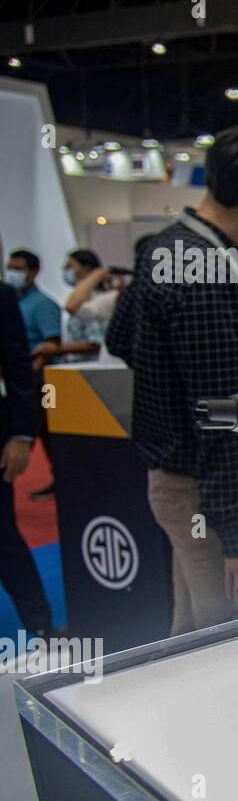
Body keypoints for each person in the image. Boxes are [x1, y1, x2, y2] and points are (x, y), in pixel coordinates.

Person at [107, 123, 238, 635]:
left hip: (173, 484)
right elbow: (221, 417)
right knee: (225, 648)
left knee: (190, 634)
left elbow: (118, 338)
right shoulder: (213, 271)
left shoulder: (164, 246)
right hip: (208, 494)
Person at [0, 266, 54, 637]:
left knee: (4, 536)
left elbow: (18, 369)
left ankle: (42, 628)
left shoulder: (3, 296)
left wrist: (22, 435)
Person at [6, 249, 61, 500]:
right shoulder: (14, 300)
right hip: (26, 380)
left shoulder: (43, 304)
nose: (12, 273)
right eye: (10, 267)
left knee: (49, 430)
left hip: (45, 383)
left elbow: (51, 344)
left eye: (18, 268)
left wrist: (30, 372)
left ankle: (60, 477)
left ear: (34, 271)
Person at [56, 249, 122, 363]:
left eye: (70, 266)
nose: (66, 271)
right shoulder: (77, 297)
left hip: (91, 367)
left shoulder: (98, 298)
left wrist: (56, 350)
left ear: (86, 267)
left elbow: (95, 343)